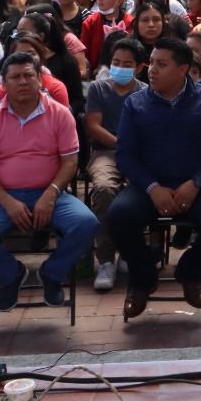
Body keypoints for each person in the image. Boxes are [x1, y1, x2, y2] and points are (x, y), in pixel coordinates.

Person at [109, 37, 201, 319]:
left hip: (199, 186)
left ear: (183, 69)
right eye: (152, 63)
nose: (152, 70)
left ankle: (190, 271)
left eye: (161, 64)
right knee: (119, 215)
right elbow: (125, 155)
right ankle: (143, 278)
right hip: (149, 187)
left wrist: (196, 183)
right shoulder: (135, 104)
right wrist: (152, 187)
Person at [0, 52, 96, 310]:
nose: (22, 82)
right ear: (3, 83)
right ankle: (11, 275)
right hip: (2, 197)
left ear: (40, 80)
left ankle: (52, 273)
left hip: (51, 193)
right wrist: (7, 201)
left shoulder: (60, 114)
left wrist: (51, 193)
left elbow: (70, 162)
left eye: (28, 75)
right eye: (15, 77)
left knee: (86, 224)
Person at [84, 37, 147, 292]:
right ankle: (106, 260)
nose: (120, 67)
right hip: (105, 153)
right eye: (115, 62)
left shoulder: (145, 91)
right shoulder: (98, 89)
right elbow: (93, 126)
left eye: (127, 63)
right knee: (104, 189)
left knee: (143, 190)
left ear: (139, 67)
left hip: (138, 154)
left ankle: (131, 252)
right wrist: (121, 144)